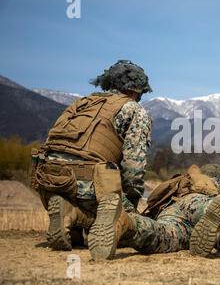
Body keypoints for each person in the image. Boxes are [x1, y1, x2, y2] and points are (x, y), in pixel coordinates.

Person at [31, 60, 152, 260]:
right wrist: (130, 204)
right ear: (135, 91)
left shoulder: (80, 103)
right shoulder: (135, 111)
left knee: (91, 207)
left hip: (49, 182)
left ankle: (71, 215)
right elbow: (133, 167)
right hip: (89, 185)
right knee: (133, 226)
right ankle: (80, 217)